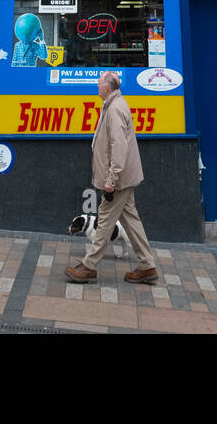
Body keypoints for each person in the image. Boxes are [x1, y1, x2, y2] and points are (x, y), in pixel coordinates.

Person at [65, 70, 157, 284]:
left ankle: (89, 266)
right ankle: (147, 265)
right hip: (123, 176)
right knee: (131, 220)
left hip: (118, 179)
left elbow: (118, 146)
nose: (97, 86)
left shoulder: (114, 109)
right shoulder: (114, 104)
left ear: (107, 87)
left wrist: (111, 179)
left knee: (104, 218)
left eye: (99, 83)